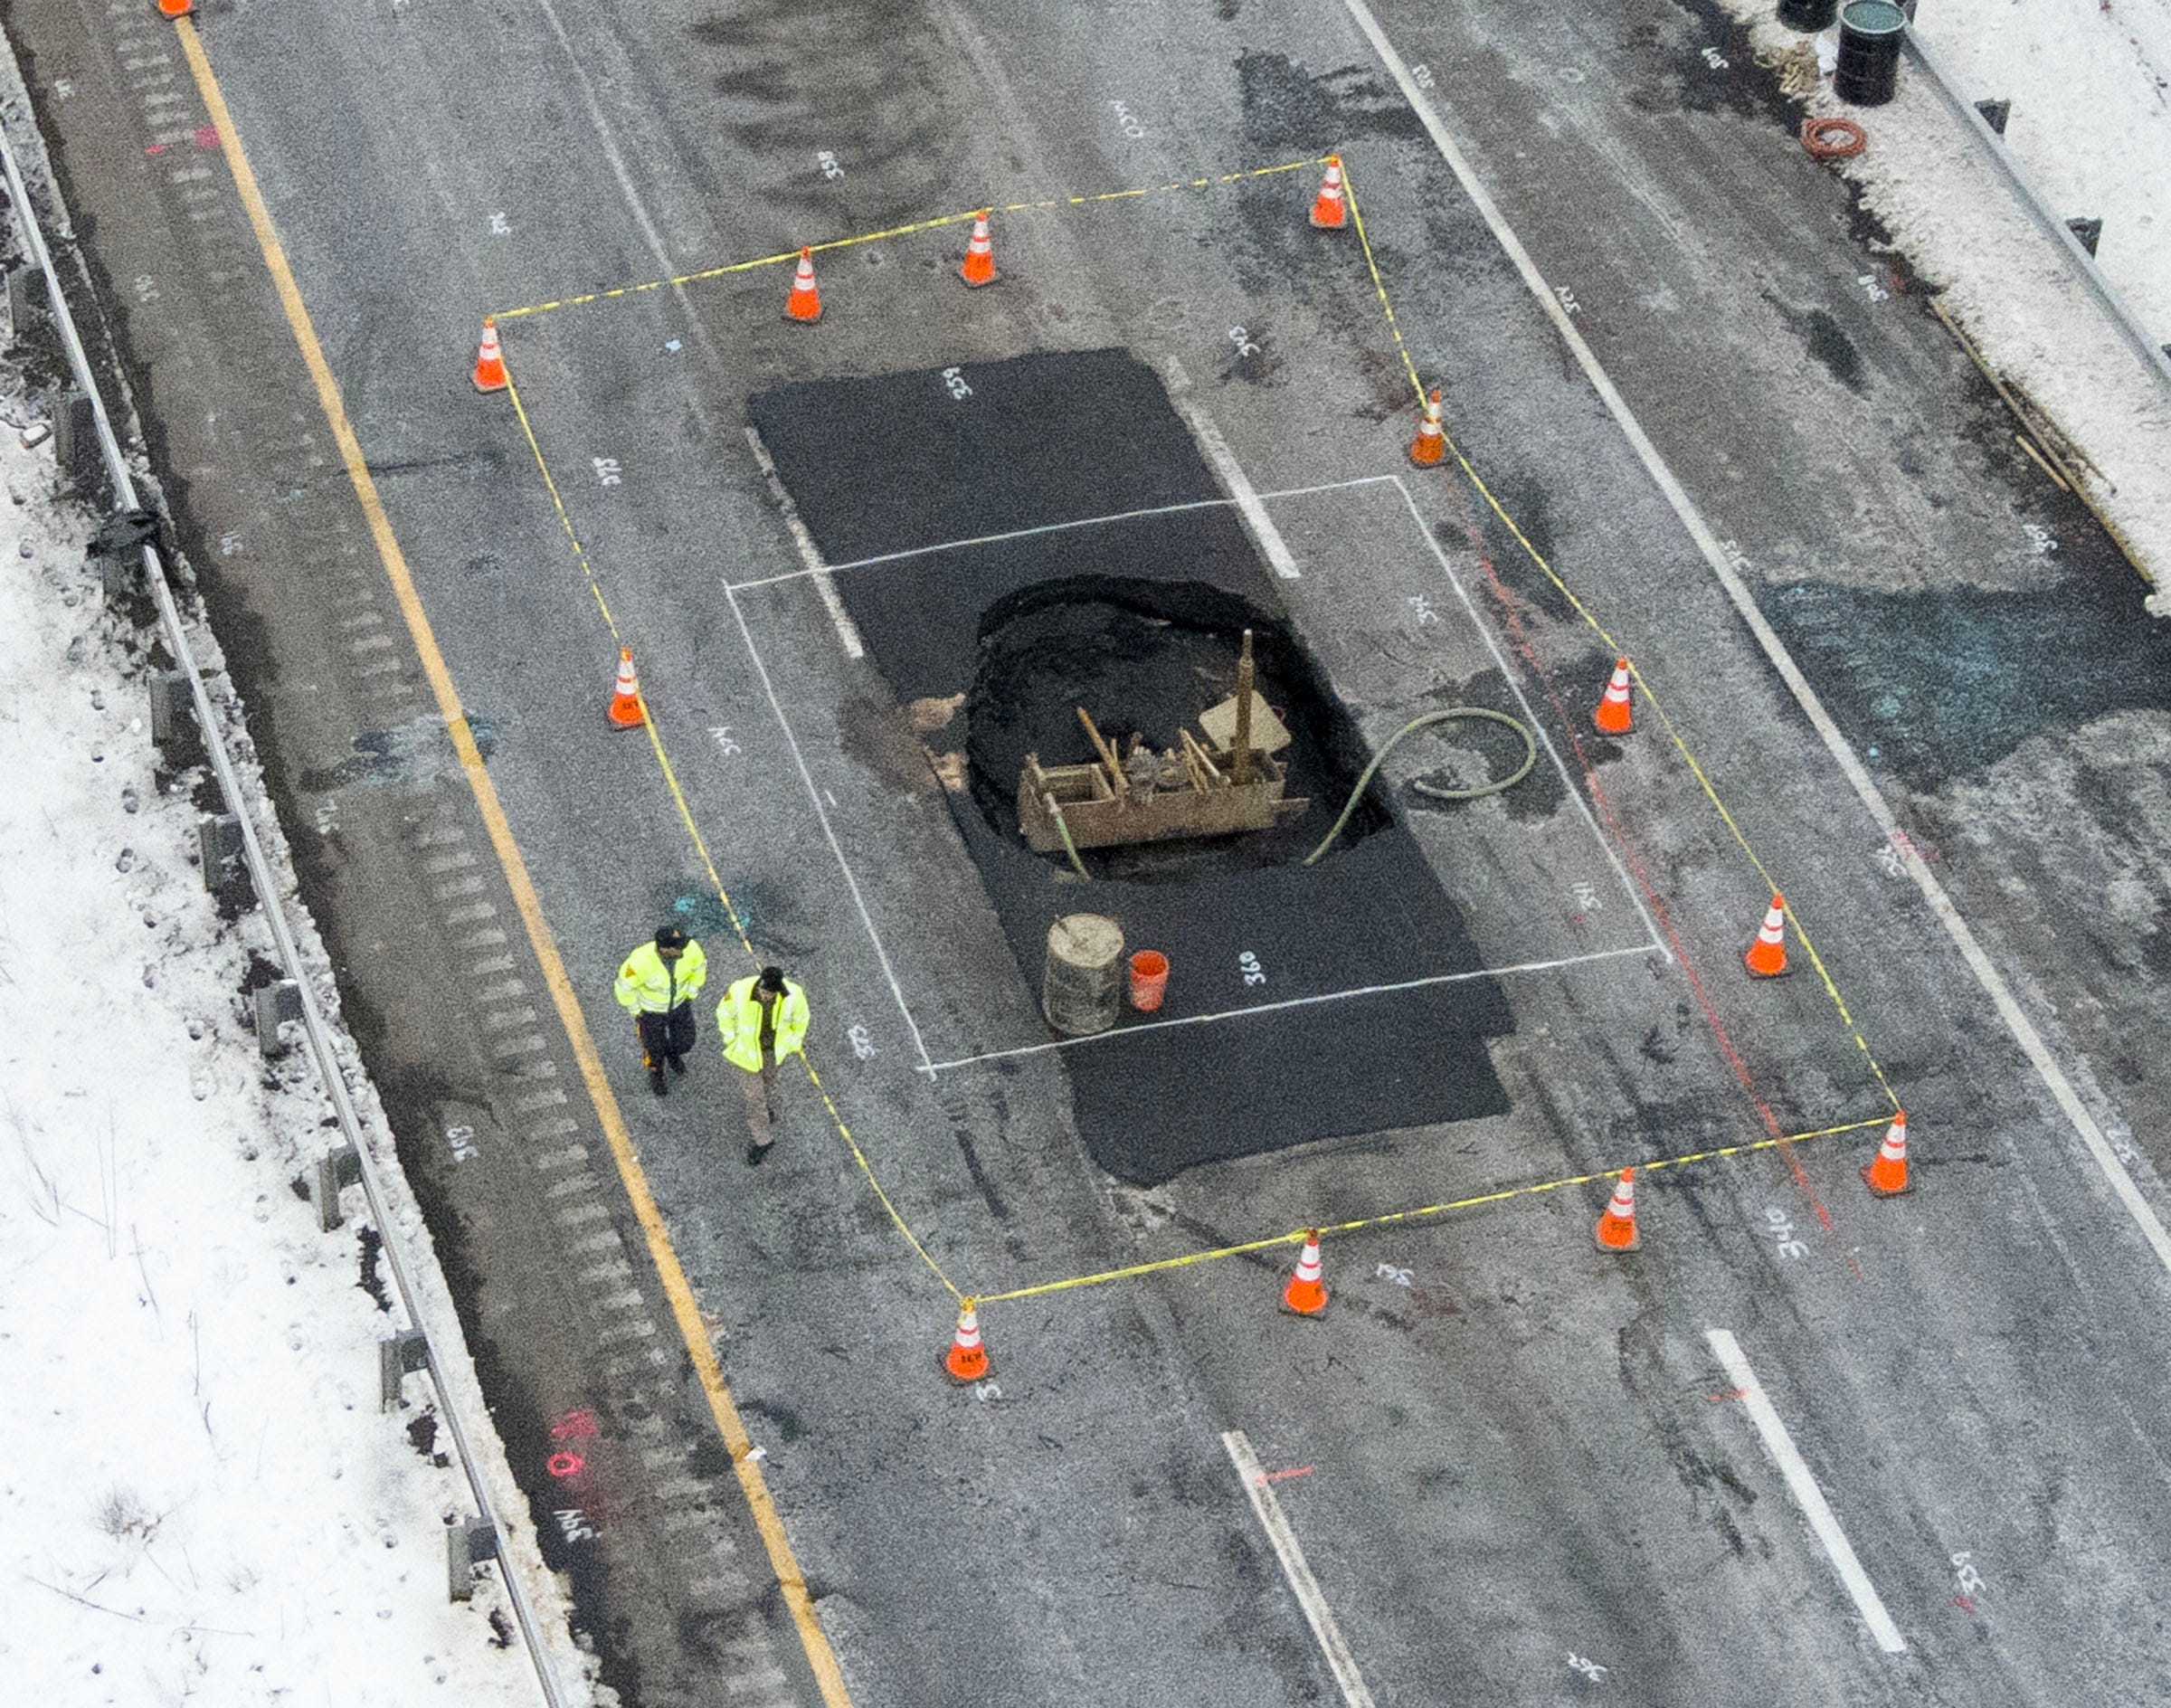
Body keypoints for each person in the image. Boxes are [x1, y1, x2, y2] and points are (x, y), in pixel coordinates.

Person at [717, 965, 809, 1163]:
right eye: (764, 992)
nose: (766, 997)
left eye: (771, 994)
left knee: (767, 1084)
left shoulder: (794, 996)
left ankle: (764, 1110)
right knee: (755, 1097)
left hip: (773, 1053)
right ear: (760, 984)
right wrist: (730, 1040)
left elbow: (801, 1020)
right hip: (746, 1053)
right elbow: (724, 1013)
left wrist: (792, 1044)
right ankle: (763, 1139)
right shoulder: (739, 990)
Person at [613, 925, 708, 1096]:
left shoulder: (691, 949)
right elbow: (624, 987)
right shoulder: (640, 961)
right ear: (664, 949)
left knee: (686, 1042)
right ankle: (656, 1072)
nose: (683, 949)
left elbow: (699, 967)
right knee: (654, 1048)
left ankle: (672, 1053)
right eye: (678, 947)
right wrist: (636, 1010)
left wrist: (691, 993)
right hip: (651, 1012)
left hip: (680, 1005)